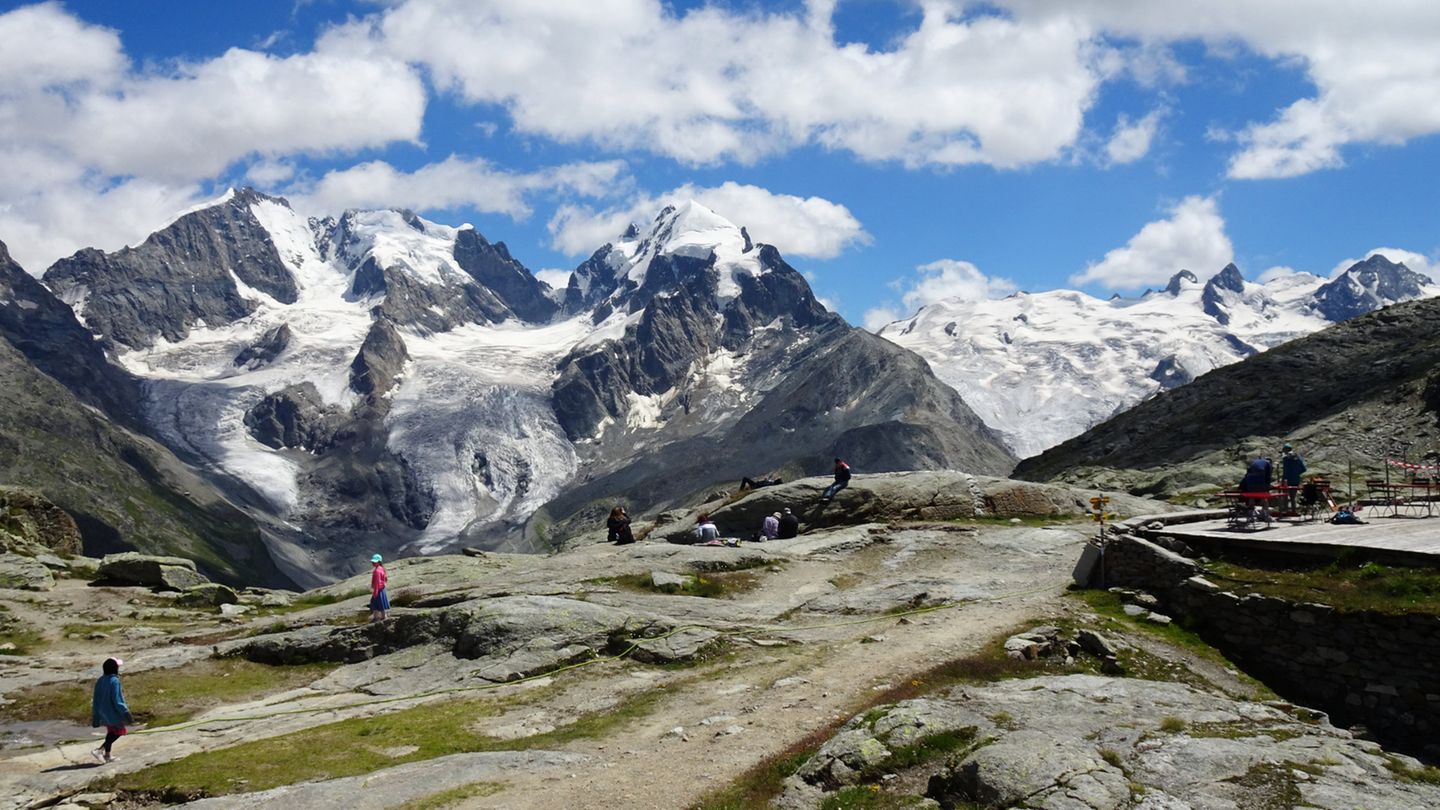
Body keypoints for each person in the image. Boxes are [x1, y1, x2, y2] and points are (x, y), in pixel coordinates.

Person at [90, 657, 132, 764]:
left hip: (102, 712)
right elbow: (117, 700)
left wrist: (96, 716)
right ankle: (100, 750)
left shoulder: (100, 680)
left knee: (111, 732)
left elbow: (96, 698)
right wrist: (126, 712)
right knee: (119, 732)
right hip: (113, 712)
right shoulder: (115, 681)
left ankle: (107, 755)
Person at [1238, 456, 1274, 524]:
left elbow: (1247, 472)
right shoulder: (1268, 464)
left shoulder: (1256, 461)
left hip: (1250, 480)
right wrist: (1268, 486)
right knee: (1264, 495)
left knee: (1252, 496)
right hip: (1259, 478)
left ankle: (1251, 515)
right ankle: (1265, 514)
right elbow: (1268, 477)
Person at [1280, 443, 1307, 509]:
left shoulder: (1285, 458)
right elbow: (1304, 469)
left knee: (1285, 495)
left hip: (1286, 480)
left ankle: (1285, 510)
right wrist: (1297, 473)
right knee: (1293, 496)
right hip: (1295, 479)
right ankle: (1293, 511)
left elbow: (1285, 470)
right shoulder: (1298, 458)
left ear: (1286, 450)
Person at [369, 553, 390, 623]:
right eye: (373, 561)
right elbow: (385, 579)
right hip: (382, 589)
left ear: (379, 562)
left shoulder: (377, 571)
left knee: (374, 604)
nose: (373, 563)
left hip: (378, 590)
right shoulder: (382, 569)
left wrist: (375, 592)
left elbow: (377, 582)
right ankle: (384, 617)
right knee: (381, 604)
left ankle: (376, 618)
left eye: (374, 562)